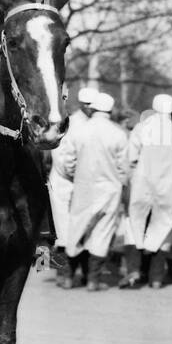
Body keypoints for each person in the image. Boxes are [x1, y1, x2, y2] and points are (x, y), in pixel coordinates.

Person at [62, 92, 129, 291]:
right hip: (109, 189)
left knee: (76, 229)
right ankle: (93, 280)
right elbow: (123, 168)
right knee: (102, 233)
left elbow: (67, 161)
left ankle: (67, 277)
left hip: (83, 187)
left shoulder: (79, 131)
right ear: (110, 110)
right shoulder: (118, 134)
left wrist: (77, 175)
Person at [121, 93, 172, 289]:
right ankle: (156, 278)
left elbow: (130, 157)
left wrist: (129, 180)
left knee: (134, 225)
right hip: (167, 186)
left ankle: (133, 271)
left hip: (141, 183)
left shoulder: (142, 128)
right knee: (162, 227)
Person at [50, 87, 96, 289]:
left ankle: (85, 275)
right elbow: (62, 159)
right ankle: (64, 275)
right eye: (89, 106)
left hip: (82, 184)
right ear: (83, 105)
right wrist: (78, 176)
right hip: (65, 183)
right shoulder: (70, 124)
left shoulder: (92, 125)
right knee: (65, 231)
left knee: (84, 229)